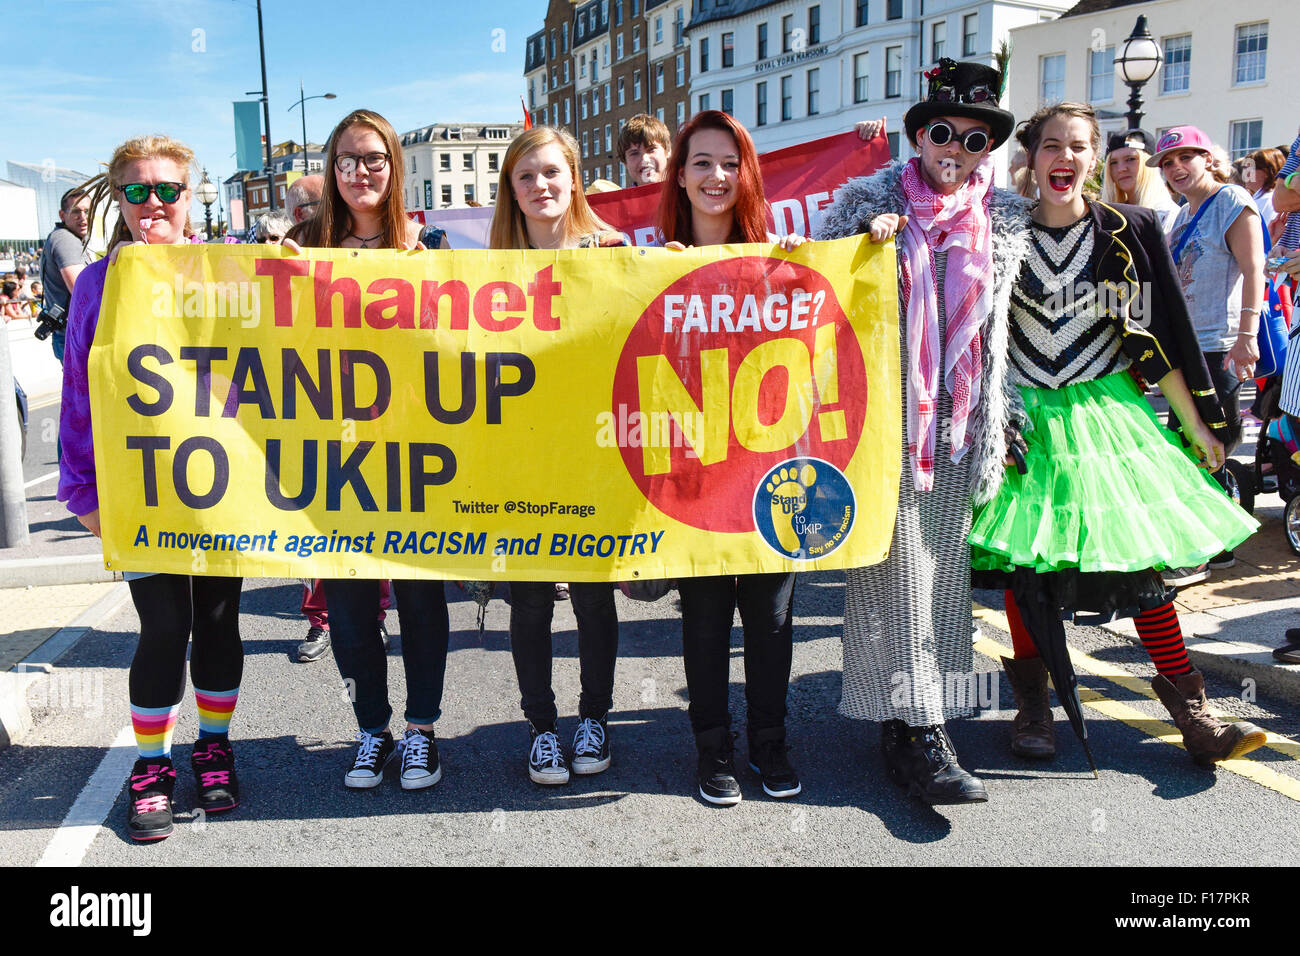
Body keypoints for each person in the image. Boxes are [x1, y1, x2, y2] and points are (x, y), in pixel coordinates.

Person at [969, 103, 1264, 766]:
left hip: (1107, 417)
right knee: (1028, 568)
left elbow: (1165, 339)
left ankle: (1194, 714)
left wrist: (1199, 426)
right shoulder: (998, 227)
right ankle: (1034, 706)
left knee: (1139, 566)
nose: (1064, 158)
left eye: (1078, 146)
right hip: (1021, 419)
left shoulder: (1130, 229)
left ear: (1094, 157)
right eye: (1051, 146)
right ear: (1032, 157)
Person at [815, 57, 1029, 805]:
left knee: (940, 580)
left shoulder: (1003, 219)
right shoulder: (865, 204)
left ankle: (902, 724)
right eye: (944, 132)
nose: (957, 149)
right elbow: (812, 294)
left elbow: (1010, 332)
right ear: (918, 135)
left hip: (962, 425)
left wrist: (1013, 416)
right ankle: (926, 739)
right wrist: (866, 248)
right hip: (886, 425)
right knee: (900, 572)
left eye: (976, 140)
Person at [58, 135, 246, 841]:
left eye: (167, 188)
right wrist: (84, 495)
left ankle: (216, 745)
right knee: (166, 625)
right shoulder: (99, 286)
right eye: (136, 191)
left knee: (220, 621)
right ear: (120, 199)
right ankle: (152, 765)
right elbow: (79, 393)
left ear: (191, 195)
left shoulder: (232, 273)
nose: (154, 203)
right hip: (141, 487)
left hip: (226, 487)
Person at [295, 109, 451, 790]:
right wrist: (135, 258)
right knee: (352, 609)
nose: (362, 172)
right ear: (333, 171)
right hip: (336, 461)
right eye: (349, 159)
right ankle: (372, 730)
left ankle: (420, 733)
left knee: (420, 601)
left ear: (395, 168)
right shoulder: (299, 246)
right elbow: (206, 281)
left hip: (414, 458)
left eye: (376, 159)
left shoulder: (432, 246)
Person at [654, 110, 808, 805]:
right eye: (701, 163)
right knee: (705, 621)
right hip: (693, 473)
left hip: (770, 472)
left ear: (745, 174)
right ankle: (713, 750)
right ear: (680, 177)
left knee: (772, 622)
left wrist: (850, 250)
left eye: (729, 163)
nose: (716, 177)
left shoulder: (783, 259)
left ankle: (770, 744)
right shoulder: (648, 266)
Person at [488, 125, 628, 786]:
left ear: (573, 178)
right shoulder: (485, 272)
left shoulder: (615, 253)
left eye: (551, 173)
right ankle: (542, 729)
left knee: (595, 601)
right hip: (520, 461)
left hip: (596, 459)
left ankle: (594, 718)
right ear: (510, 192)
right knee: (532, 603)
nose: (541, 186)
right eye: (526, 177)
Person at [1154, 125, 1266, 582]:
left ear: (1208, 158)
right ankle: (1215, 545)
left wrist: (1248, 334)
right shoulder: (1181, 215)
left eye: (1185, 157)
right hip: (1187, 345)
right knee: (1189, 442)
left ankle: (1202, 548)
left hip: (1218, 345)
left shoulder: (1232, 200)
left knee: (1208, 444)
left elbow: (1253, 266)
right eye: (1167, 162)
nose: (1177, 168)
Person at [39, 187, 92, 363]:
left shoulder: (64, 237)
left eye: (87, 211)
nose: (83, 217)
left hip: (69, 336)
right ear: (62, 215)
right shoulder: (65, 240)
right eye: (76, 211)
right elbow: (82, 291)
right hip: (76, 339)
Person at [1100, 128, 1179, 230]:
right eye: (1113, 162)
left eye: (1130, 159)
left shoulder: (1166, 215)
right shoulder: (1108, 217)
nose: (1121, 169)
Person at [618, 113, 673, 186]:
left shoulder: (689, 195)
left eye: (651, 150)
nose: (645, 159)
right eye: (634, 153)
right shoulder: (620, 197)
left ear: (667, 151)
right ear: (625, 162)